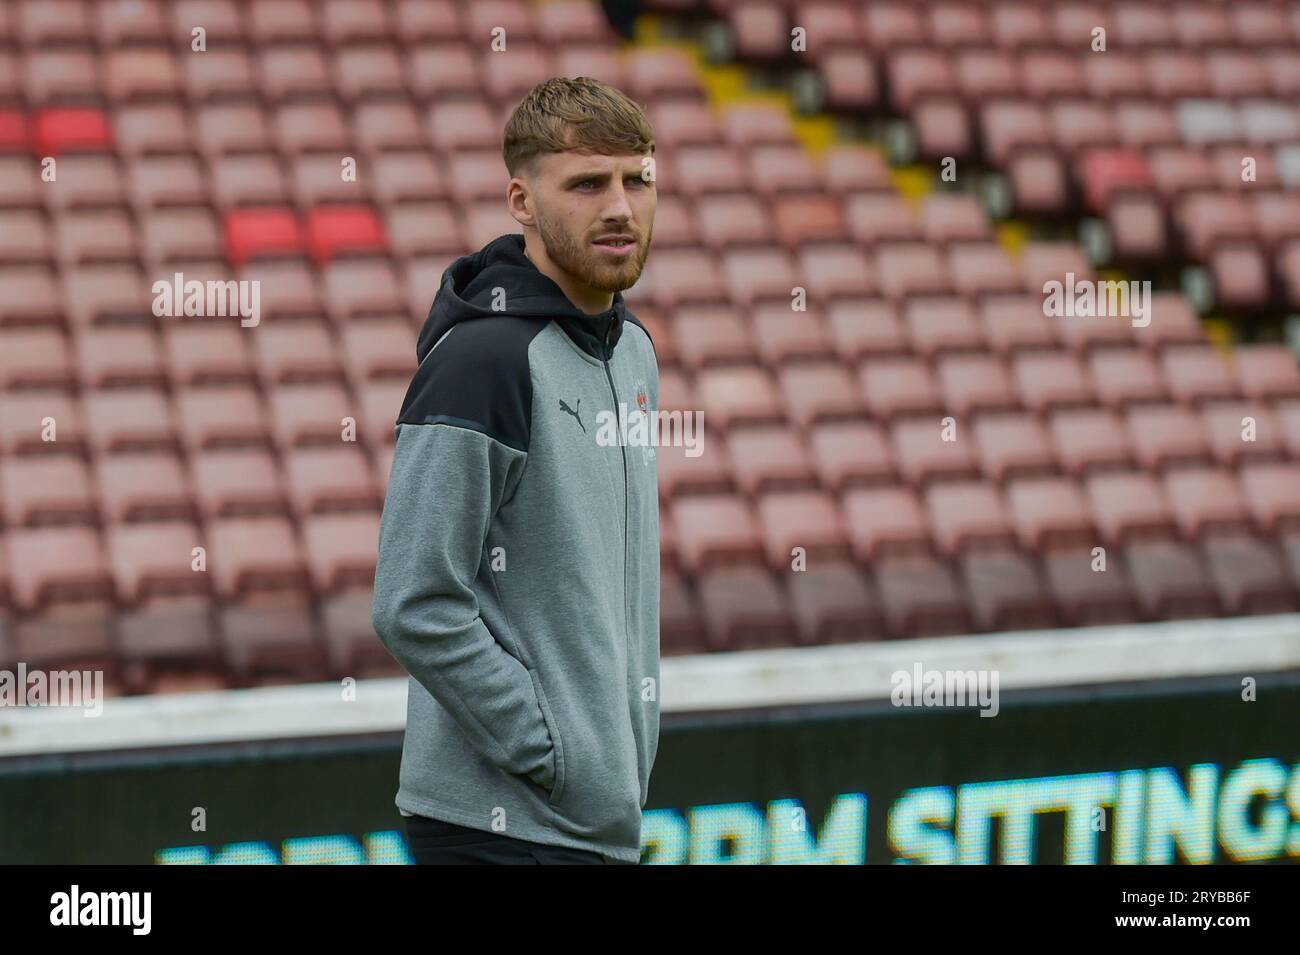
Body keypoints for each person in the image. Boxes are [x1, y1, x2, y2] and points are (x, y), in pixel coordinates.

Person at [372, 77, 661, 865]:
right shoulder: (481, 360)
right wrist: (552, 747)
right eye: (587, 184)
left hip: (587, 825)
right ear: (522, 201)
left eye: (638, 180)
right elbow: (413, 600)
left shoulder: (632, 350)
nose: (620, 208)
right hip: (500, 831)